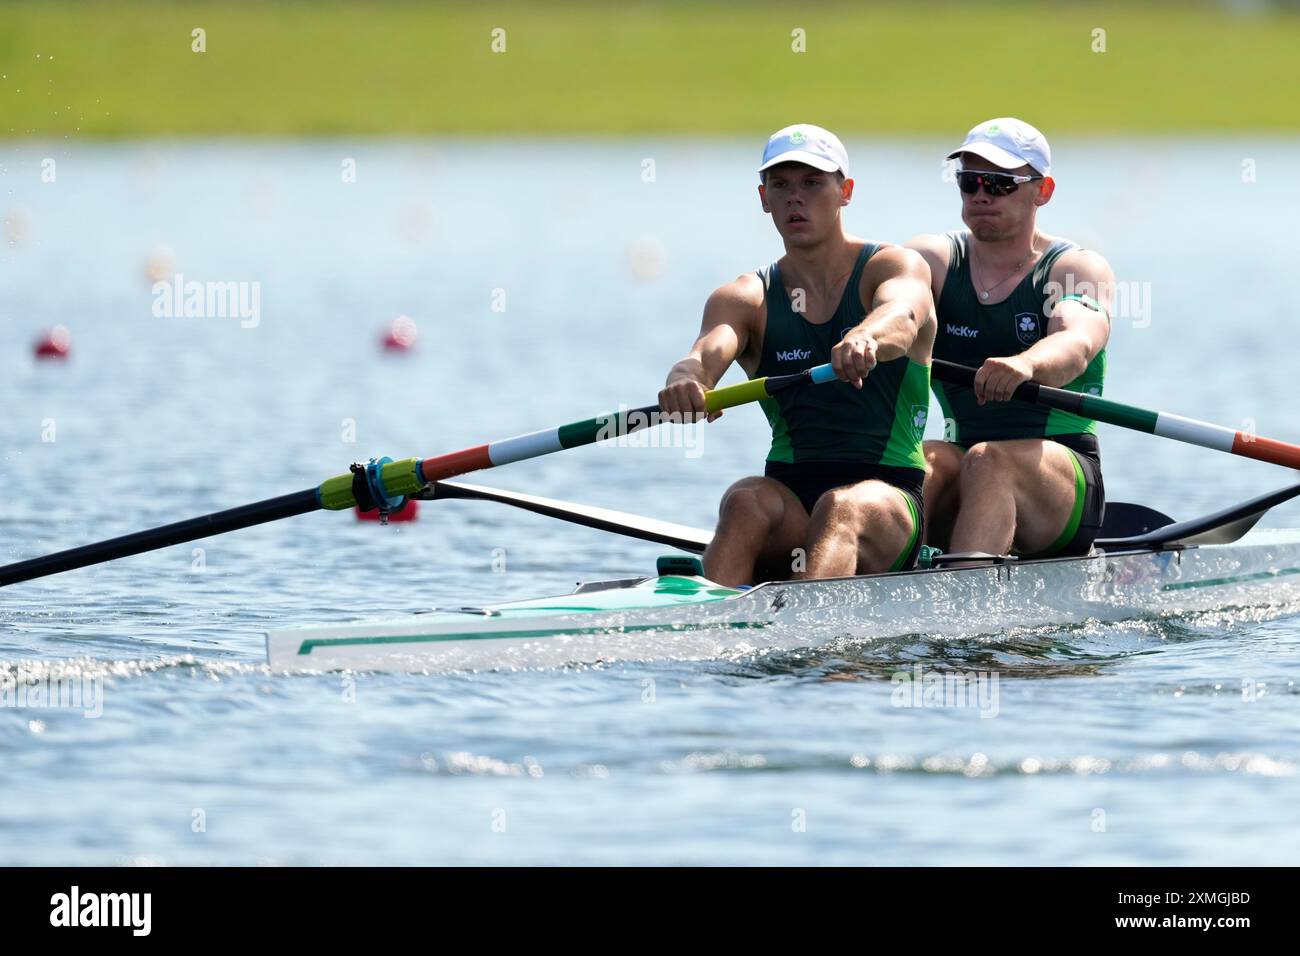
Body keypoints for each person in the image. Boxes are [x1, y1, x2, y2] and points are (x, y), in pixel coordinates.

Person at [660, 124, 934, 586]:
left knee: (841, 507)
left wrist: (865, 338)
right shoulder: (746, 297)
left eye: (812, 183)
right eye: (781, 185)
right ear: (764, 198)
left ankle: (808, 638)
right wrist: (685, 381)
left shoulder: (893, 266)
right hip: (791, 498)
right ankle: (704, 629)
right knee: (744, 499)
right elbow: (704, 355)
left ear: (845, 192)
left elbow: (903, 316)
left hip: (889, 502)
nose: (795, 198)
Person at [907, 118, 1113, 558]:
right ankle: (868, 583)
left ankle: (967, 591)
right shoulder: (932, 259)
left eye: (999, 183)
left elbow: (1076, 342)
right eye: (969, 181)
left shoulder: (1074, 268)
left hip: (1063, 479)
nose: (980, 193)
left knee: (988, 460)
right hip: (964, 462)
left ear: (1043, 190)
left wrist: (1027, 364)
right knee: (918, 462)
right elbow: (888, 304)